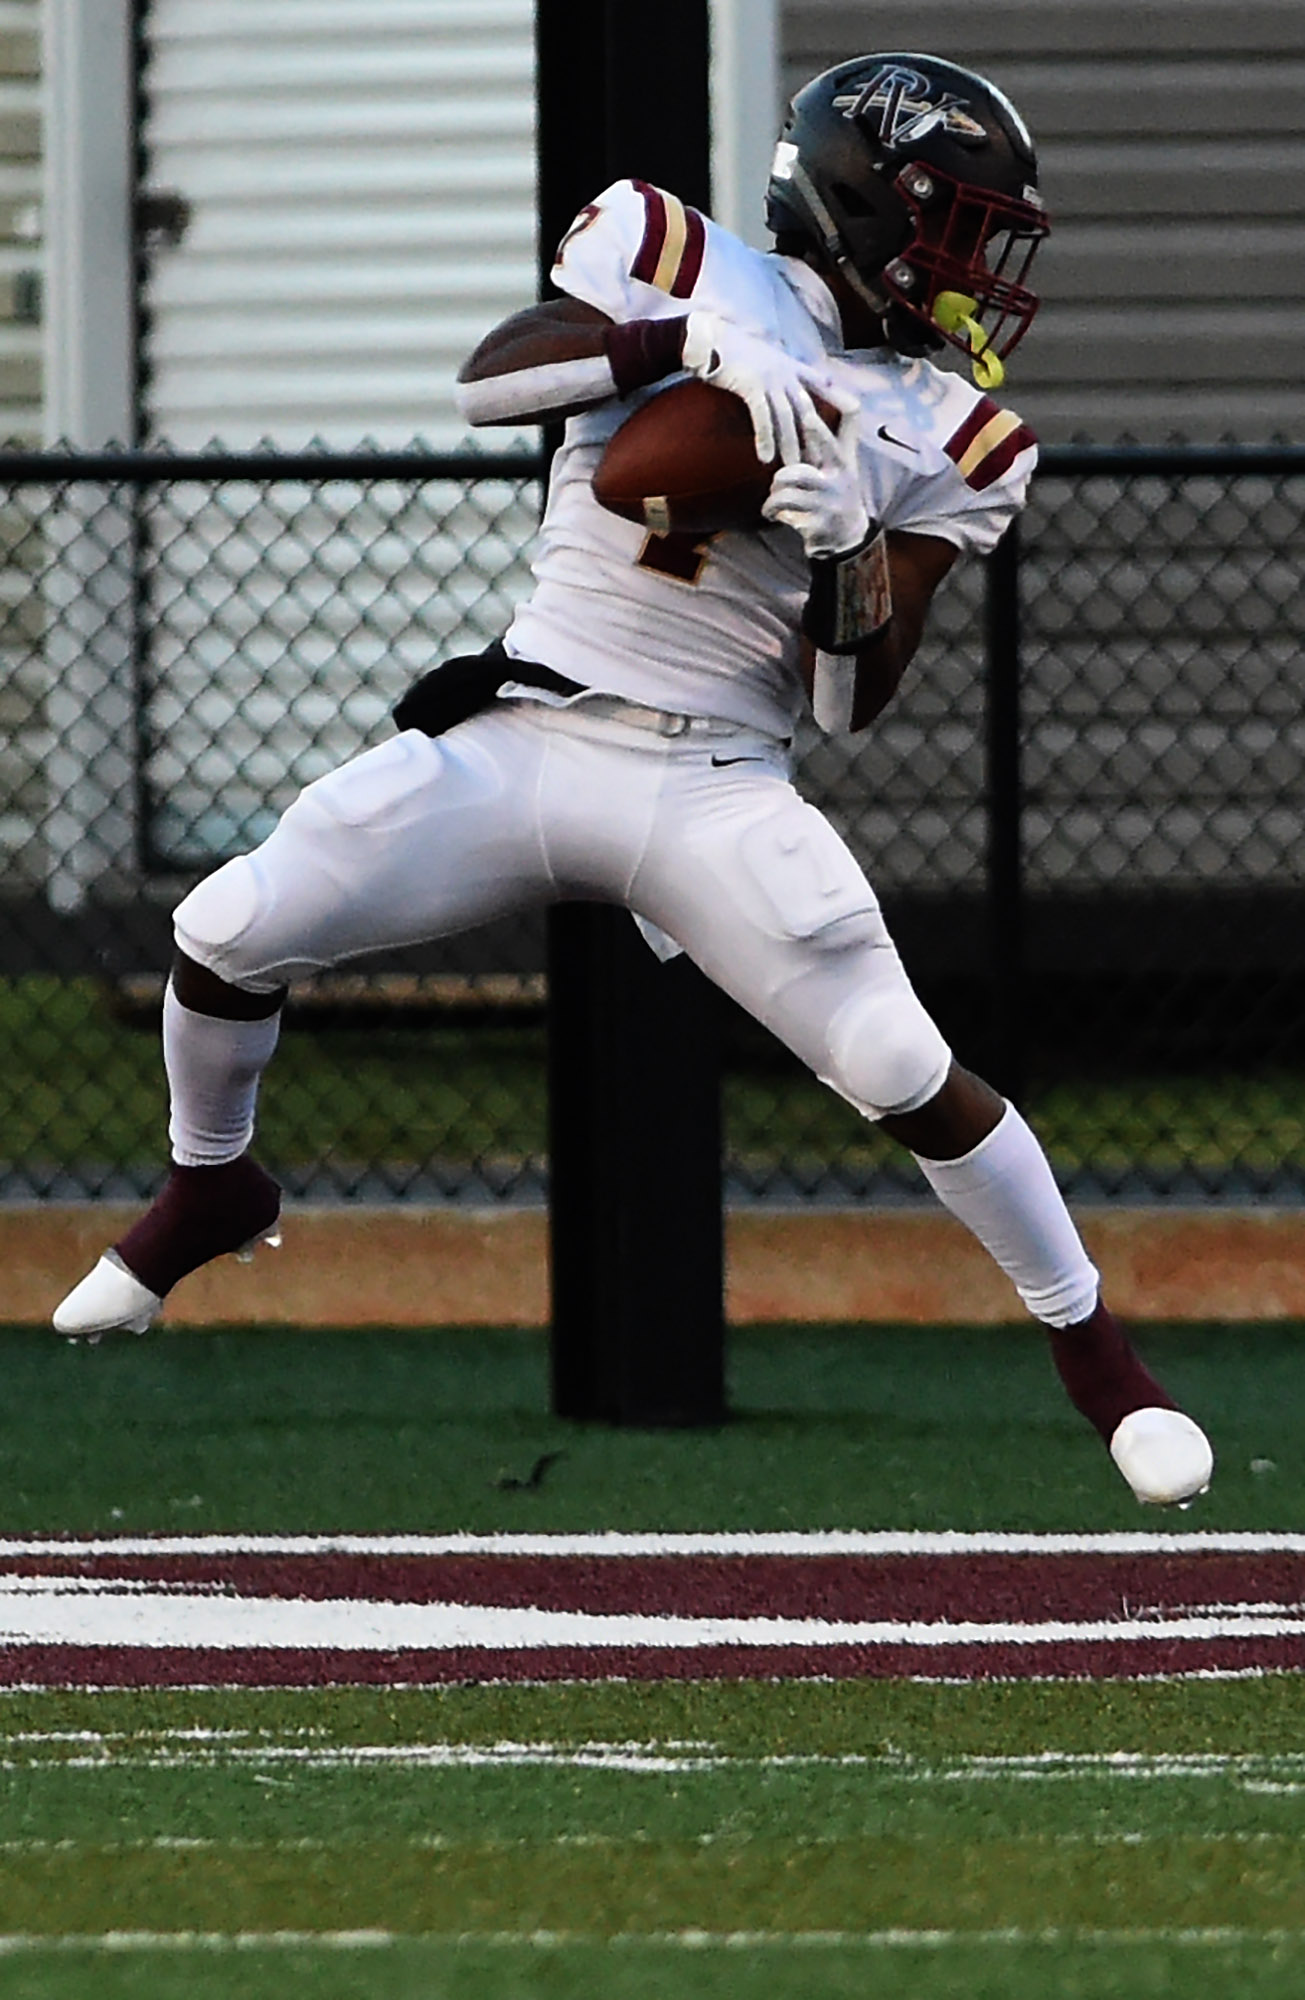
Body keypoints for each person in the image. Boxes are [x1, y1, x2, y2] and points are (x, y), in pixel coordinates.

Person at [54, 53, 1212, 1507]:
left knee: (901, 1065)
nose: (974, 266)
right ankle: (212, 1180)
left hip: (711, 774)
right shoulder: (671, 252)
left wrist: (848, 548)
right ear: (860, 201)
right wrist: (680, 346)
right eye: (955, 225)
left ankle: (1100, 1363)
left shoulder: (957, 431)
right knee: (228, 926)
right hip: (530, 724)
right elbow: (491, 385)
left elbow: (847, 701)